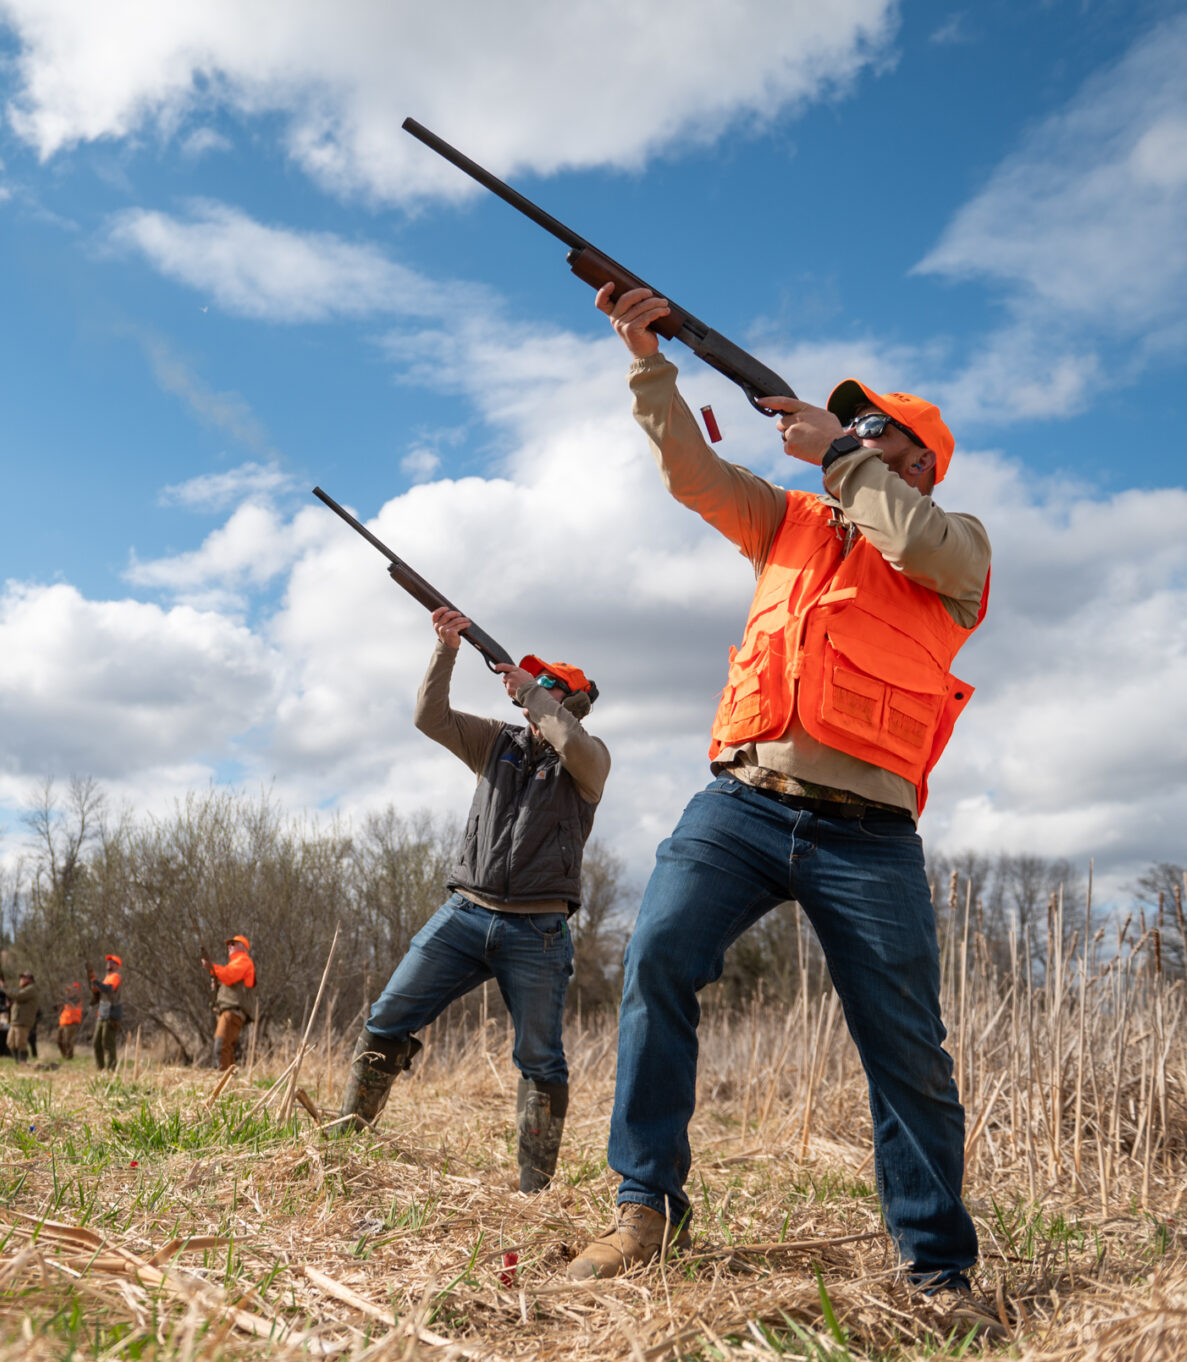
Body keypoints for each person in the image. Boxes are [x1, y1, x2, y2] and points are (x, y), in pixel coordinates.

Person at [570, 283, 999, 1333]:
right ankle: (645, 1210)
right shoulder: (792, 522)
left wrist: (838, 455)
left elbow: (918, 543)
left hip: (868, 836)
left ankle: (936, 1273)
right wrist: (647, 363)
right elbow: (692, 474)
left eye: (871, 430)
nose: (847, 435)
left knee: (904, 1044)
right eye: (845, 425)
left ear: (915, 462)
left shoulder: (957, 553)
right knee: (656, 955)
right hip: (743, 802)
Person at [329, 608, 608, 1195]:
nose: (531, 693)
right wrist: (448, 650)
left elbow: (570, 741)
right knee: (385, 1021)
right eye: (534, 686)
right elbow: (428, 718)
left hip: (537, 932)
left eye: (549, 687)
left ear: (571, 703)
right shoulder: (496, 743)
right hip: (464, 915)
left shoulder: (588, 760)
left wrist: (532, 695)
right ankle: (344, 1148)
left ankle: (534, 1192)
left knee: (540, 1060)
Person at [200, 935, 256, 1070]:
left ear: (242, 948)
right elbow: (229, 979)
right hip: (231, 1012)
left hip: (233, 1012)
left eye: (233, 943)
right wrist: (218, 984)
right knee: (227, 1048)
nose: (229, 946)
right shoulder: (235, 964)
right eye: (229, 944)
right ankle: (231, 1082)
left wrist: (211, 967)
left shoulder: (244, 961)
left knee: (221, 1045)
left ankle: (221, 1080)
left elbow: (229, 975)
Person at [90, 954, 124, 1071]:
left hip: (112, 1014)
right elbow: (99, 993)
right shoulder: (106, 977)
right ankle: (100, 1068)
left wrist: (96, 981)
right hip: (102, 1014)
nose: (109, 962)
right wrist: (94, 984)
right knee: (96, 1042)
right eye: (108, 961)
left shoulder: (116, 976)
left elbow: (108, 989)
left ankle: (111, 1069)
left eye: (112, 961)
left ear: (117, 966)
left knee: (107, 1042)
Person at [56, 982, 85, 1060]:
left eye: (75, 988)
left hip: (72, 1023)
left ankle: (69, 1057)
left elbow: (71, 1000)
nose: (73, 990)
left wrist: (66, 994)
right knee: (58, 1040)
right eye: (72, 988)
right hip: (63, 1022)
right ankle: (65, 1056)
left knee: (67, 1041)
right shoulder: (68, 999)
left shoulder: (77, 998)